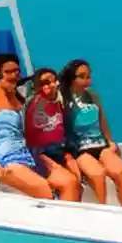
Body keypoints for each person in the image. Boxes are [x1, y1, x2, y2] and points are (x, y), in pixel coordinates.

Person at [0, 54, 80, 201]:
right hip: (8, 161)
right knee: (49, 193)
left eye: (17, 71)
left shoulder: (18, 96)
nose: (14, 75)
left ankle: (66, 223)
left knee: (70, 182)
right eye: (9, 71)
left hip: (29, 155)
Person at [58, 59, 122, 207]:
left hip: (100, 144)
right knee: (97, 175)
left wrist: (110, 142)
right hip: (79, 149)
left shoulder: (92, 95)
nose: (87, 80)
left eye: (88, 76)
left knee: (121, 172)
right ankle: (101, 213)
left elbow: (102, 121)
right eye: (82, 76)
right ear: (71, 78)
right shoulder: (62, 98)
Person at [22, 67, 83, 200]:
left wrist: (68, 155)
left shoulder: (59, 99)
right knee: (70, 182)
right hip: (40, 152)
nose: (52, 85)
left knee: (78, 179)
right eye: (45, 83)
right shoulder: (34, 103)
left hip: (59, 148)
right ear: (38, 87)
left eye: (54, 81)